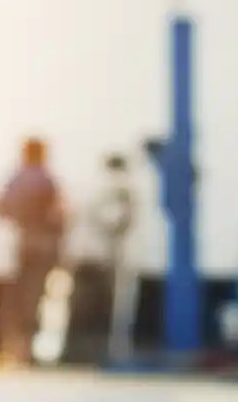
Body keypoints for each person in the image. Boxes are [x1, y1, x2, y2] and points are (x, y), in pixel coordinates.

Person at [0, 136, 65, 366]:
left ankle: (12, 350)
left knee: (13, 299)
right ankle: (27, 351)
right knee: (33, 296)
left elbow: (0, 208)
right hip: (42, 245)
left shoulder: (14, 179)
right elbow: (58, 214)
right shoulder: (46, 179)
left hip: (16, 245)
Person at [90, 153, 136, 361]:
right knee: (120, 301)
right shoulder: (122, 189)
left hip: (119, 251)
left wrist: (109, 231)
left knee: (119, 301)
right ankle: (117, 346)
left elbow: (119, 219)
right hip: (117, 251)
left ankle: (118, 347)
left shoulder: (120, 190)